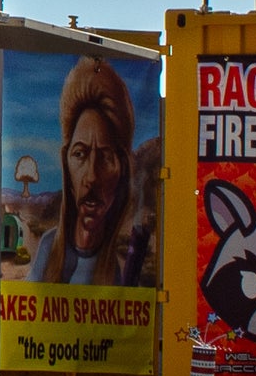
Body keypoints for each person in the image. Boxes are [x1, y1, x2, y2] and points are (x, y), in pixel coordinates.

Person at [30, 58, 159, 287]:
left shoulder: (126, 261)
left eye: (105, 157)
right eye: (80, 154)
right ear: (66, 163)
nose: (91, 177)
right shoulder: (50, 247)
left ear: (122, 170)